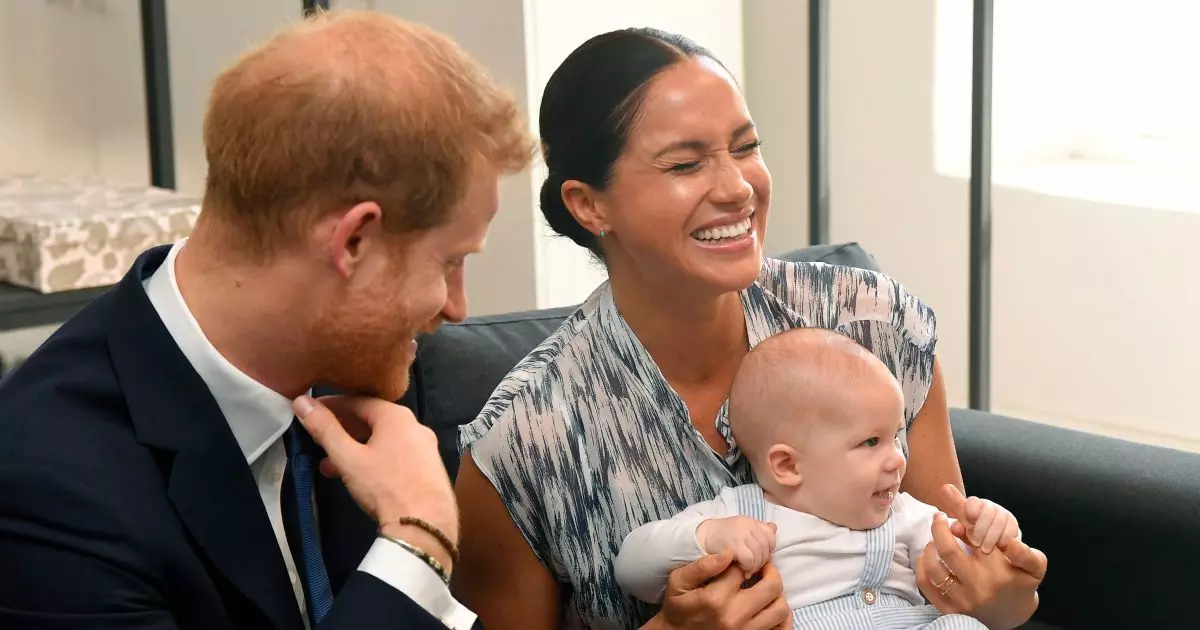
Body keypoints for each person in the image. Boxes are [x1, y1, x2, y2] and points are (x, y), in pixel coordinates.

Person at [453, 27, 1047, 630]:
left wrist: (998, 595)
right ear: (589, 205)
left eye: (746, 147)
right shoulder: (524, 443)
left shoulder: (871, 322)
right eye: (685, 163)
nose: (738, 188)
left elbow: (964, 582)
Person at [0, 9, 532, 630]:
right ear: (353, 241)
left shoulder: (356, 367)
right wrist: (417, 546)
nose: (456, 307)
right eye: (451, 262)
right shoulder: (47, 490)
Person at [614, 327, 1027, 629]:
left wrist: (989, 530)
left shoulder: (905, 515)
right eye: (871, 442)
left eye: (896, 436)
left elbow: (968, 566)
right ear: (788, 467)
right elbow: (631, 566)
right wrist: (706, 537)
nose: (898, 459)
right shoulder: (739, 514)